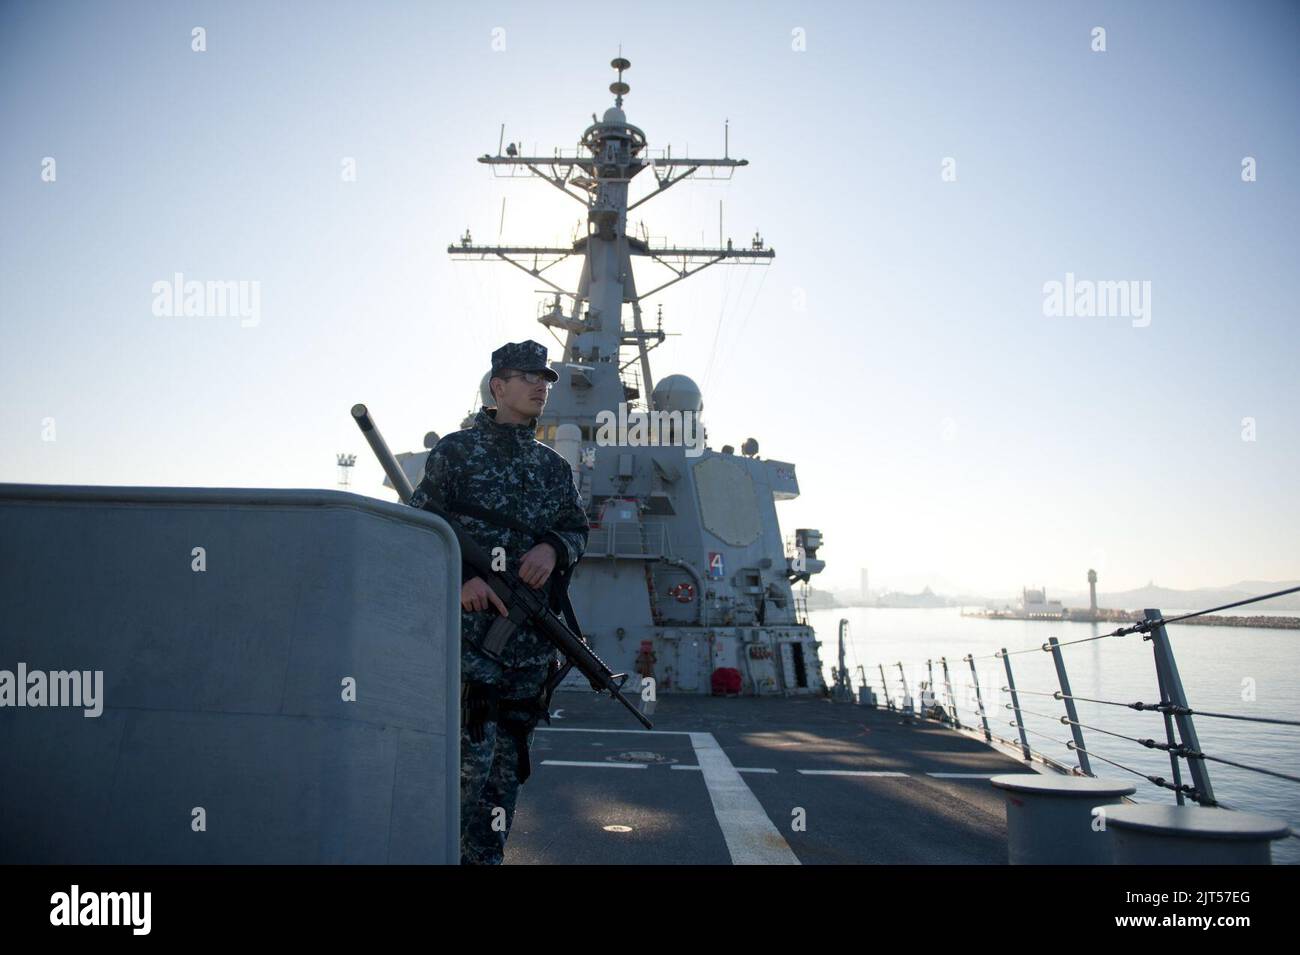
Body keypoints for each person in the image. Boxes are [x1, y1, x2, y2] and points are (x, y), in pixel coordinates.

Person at [407, 339, 589, 865]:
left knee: (505, 781)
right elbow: (421, 529)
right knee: (466, 772)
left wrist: (553, 549)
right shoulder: (455, 453)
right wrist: (460, 578)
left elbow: (576, 529)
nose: (540, 386)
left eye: (546, 379)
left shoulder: (553, 467)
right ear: (498, 386)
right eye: (527, 376)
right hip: (469, 649)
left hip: (527, 655)